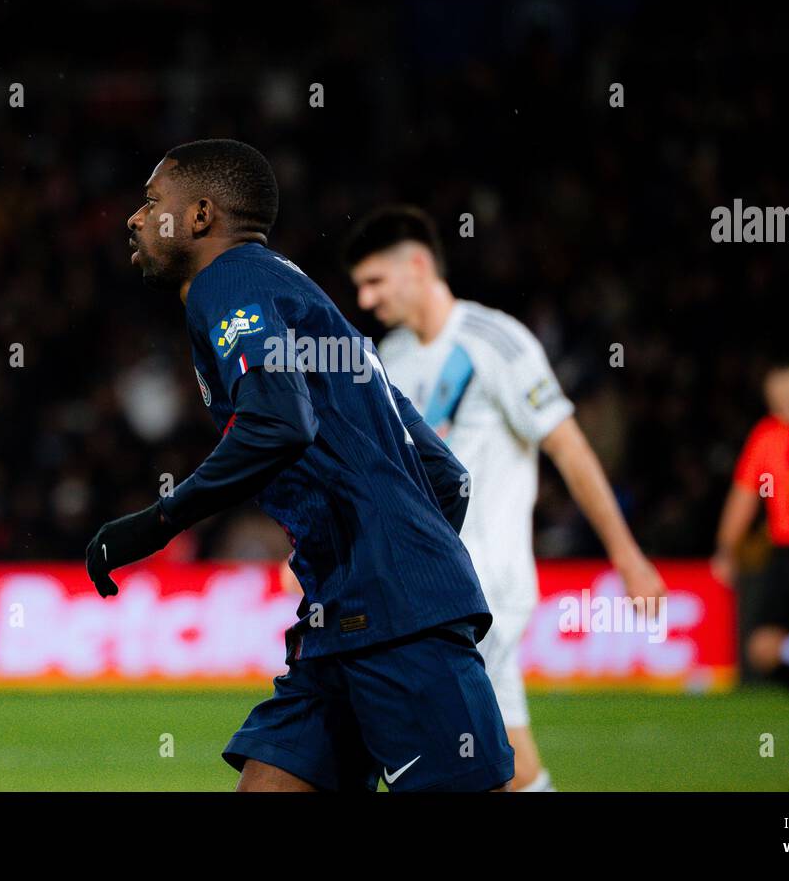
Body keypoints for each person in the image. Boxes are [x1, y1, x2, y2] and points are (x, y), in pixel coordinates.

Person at [85, 140, 514, 791]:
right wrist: (376, 565)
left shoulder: (228, 281)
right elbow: (445, 476)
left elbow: (278, 422)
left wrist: (158, 522)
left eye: (152, 202)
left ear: (201, 216)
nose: (135, 218)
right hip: (346, 620)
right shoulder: (300, 298)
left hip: (392, 624)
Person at [343, 204, 665, 791]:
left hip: (483, 588)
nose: (364, 300)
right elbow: (379, 477)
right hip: (429, 590)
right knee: (507, 756)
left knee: (440, 755)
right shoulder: (388, 358)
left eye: (373, 282)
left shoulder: (497, 342)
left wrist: (627, 555)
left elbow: (570, 449)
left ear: (417, 265)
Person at [711, 362, 789, 777]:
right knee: (763, 650)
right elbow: (744, 495)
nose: (786, 400)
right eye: (778, 394)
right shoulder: (766, 436)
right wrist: (726, 550)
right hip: (785, 554)